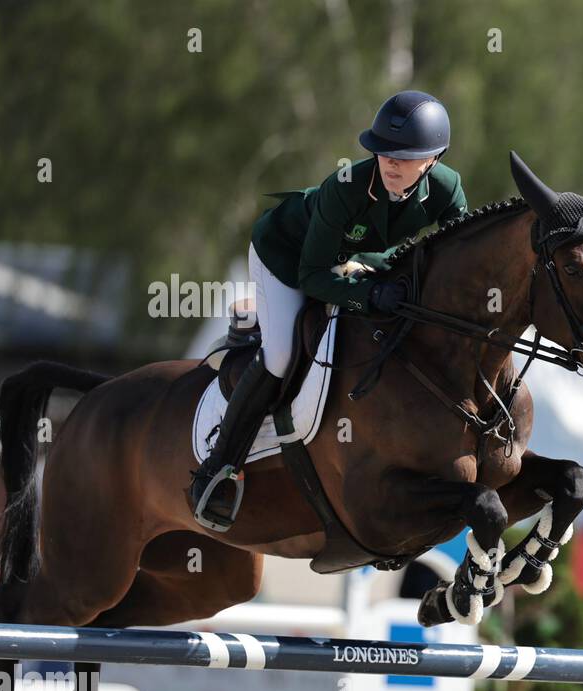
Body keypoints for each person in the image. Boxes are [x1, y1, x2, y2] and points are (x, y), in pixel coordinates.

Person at [189, 90, 469, 532]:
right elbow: (315, 276)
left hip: (358, 262)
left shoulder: (448, 190)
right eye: (382, 152)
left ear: (433, 159)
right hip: (288, 258)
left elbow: (458, 261)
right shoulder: (346, 189)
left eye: (403, 155)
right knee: (282, 355)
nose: (390, 162)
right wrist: (369, 296)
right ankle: (219, 467)